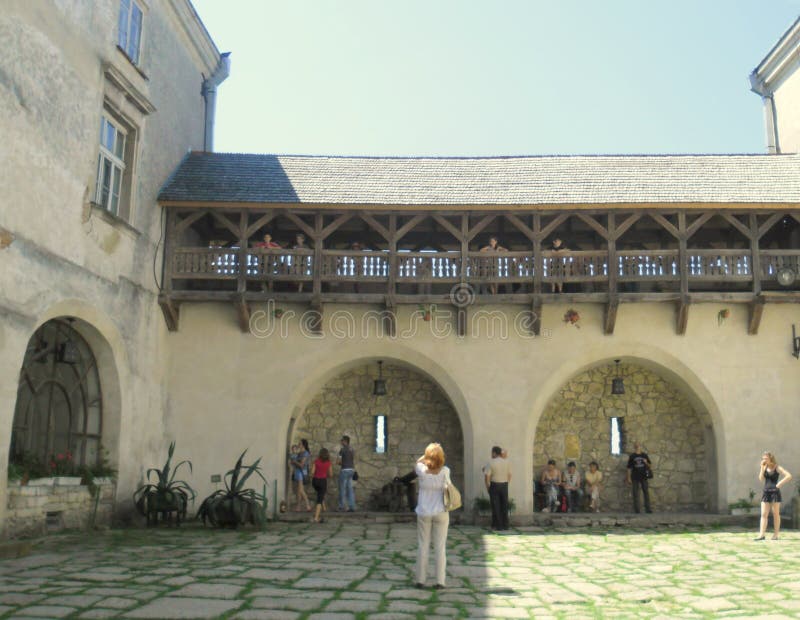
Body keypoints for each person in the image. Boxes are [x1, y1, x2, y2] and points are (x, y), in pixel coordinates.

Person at [414, 443, 450, 589]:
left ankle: (420, 580)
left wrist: (427, 455)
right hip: (441, 511)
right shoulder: (445, 471)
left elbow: (418, 462)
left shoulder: (422, 471)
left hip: (424, 511)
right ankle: (440, 581)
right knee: (440, 547)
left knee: (423, 545)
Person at [755, 451, 793, 540]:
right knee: (764, 514)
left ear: (770, 458)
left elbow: (789, 476)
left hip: (775, 492)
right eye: (763, 458)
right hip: (766, 492)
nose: (764, 460)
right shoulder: (764, 467)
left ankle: (775, 535)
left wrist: (779, 483)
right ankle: (762, 535)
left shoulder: (777, 467)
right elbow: (761, 479)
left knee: (776, 514)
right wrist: (762, 468)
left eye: (765, 458)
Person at [485, 446, 511, 530]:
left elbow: (487, 476)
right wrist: (507, 483)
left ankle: (498, 525)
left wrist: (488, 486)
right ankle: (505, 524)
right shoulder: (507, 462)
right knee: (504, 505)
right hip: (504, 484)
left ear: (494, 453)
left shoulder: (491, 462)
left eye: (492, 453)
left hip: (494, 484)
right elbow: (509, 474)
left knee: (496, 506)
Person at [626, 443, 652, 513]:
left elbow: (650, 466)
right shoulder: (632, 456)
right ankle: (637, 509)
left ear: (641, 446)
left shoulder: (644, 455)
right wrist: (628, 477)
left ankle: (648, 509)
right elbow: (628, 468)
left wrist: (646, 462)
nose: (637, 447)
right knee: (635, 493)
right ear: (634, 447)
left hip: (643, 476)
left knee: (646, 492)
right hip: (635, 476)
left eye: (639, 445)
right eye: (636, 446)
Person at [310, 447, 333, 523]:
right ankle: (316, 518)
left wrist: (313, 475)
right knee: (319, 500)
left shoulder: (316, 461)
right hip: (323, 481)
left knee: (320, 493)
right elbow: (331, 474)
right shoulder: (328, 463)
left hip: (315, 481)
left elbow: (312, 472)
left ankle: (324, 506)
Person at [337, 435, 356, 512]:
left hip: (344, 470)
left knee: (342, 489)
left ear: (345, 441)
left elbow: (338, 461)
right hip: (351, 470)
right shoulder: (352, 449)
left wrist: (339, 463)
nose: (341, 442)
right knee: (350, 489)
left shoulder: (342, 450)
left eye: (342, 440)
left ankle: (342, 506)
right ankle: (352, 506)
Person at [291, 439, 311, 512]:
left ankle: (307, 505)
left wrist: (294, 461)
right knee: (299, 491)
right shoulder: (299, 453)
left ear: (303, 445)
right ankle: (298, 507)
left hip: (301, 472)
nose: (298, 445)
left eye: (299, 443)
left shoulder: (305, 453)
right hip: (297, 472)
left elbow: (302, 465)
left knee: (301, 490)